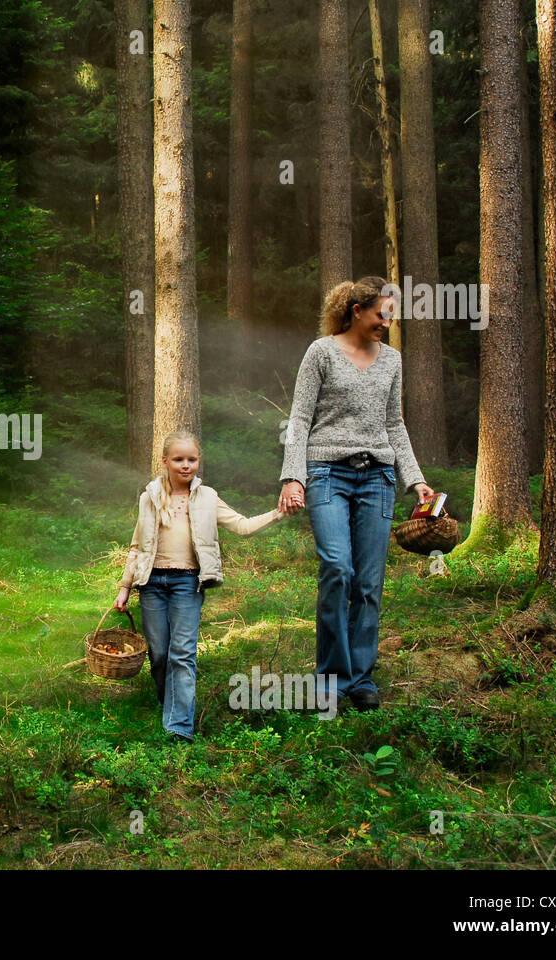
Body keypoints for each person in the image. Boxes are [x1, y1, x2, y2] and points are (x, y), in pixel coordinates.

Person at [278, 277, 436, 711]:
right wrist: (294, 477)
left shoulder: (392, 361)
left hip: (377, 478)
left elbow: (394, 424)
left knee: (368, 583)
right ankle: (330, 678)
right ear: (356, 310)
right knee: (338, 569)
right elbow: (299, 419)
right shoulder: (322, 352)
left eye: (392, 314)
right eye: (382, 312)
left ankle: (361, 678)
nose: (388, 321)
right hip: (327, 473)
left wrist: (415, 479)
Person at [114, 430, 288, 742]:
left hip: (187, 583)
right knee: (159, 654)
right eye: (178, 459)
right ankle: (169, 703)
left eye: (191, 459)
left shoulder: (207, 497)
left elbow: (242, 526)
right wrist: (125, 586)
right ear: (165, 461)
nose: (185, 465)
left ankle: (179, 727)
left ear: (198, 462)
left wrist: (278, 513)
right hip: (151, 583)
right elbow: (137, 546)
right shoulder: (149, 498)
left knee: (182, 652)